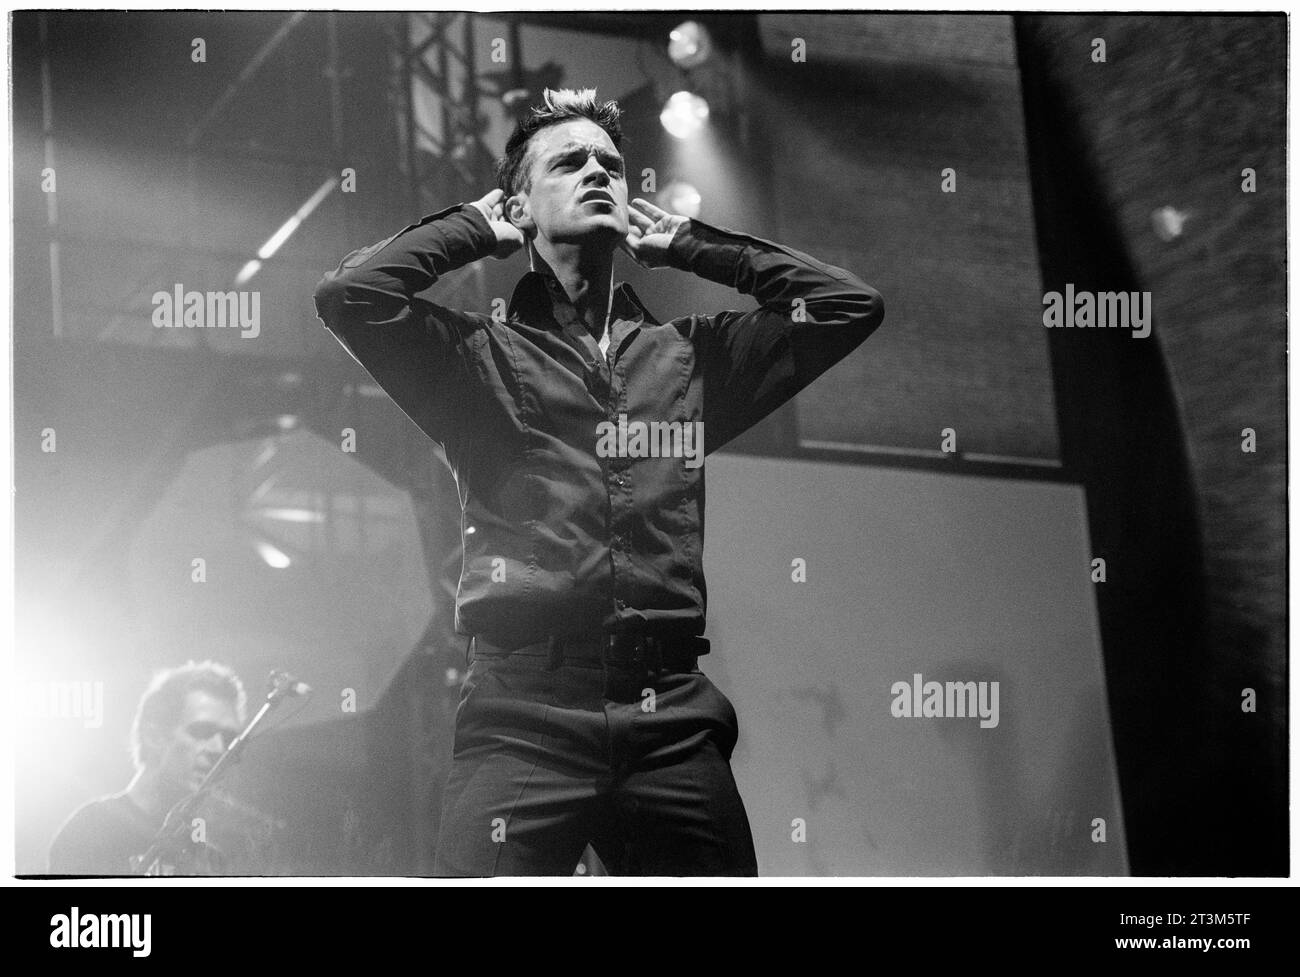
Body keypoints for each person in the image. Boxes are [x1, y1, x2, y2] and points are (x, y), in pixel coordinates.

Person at [312, 88, 884, 876]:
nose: (596, 175)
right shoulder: (475, 361)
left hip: (670, 719)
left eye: (611, 166)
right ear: (520, 204)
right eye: (569, 162)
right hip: (523, 713)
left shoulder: (691, 359)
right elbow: (350, 297)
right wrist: (471, 229)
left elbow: (848, 306)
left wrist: (698, 245)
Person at [47, 660, 271, 875]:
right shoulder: (92, 829)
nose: (219, 748)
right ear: (154, 736)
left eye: (229, 738)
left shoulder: (207, 852)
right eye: (202, 731)